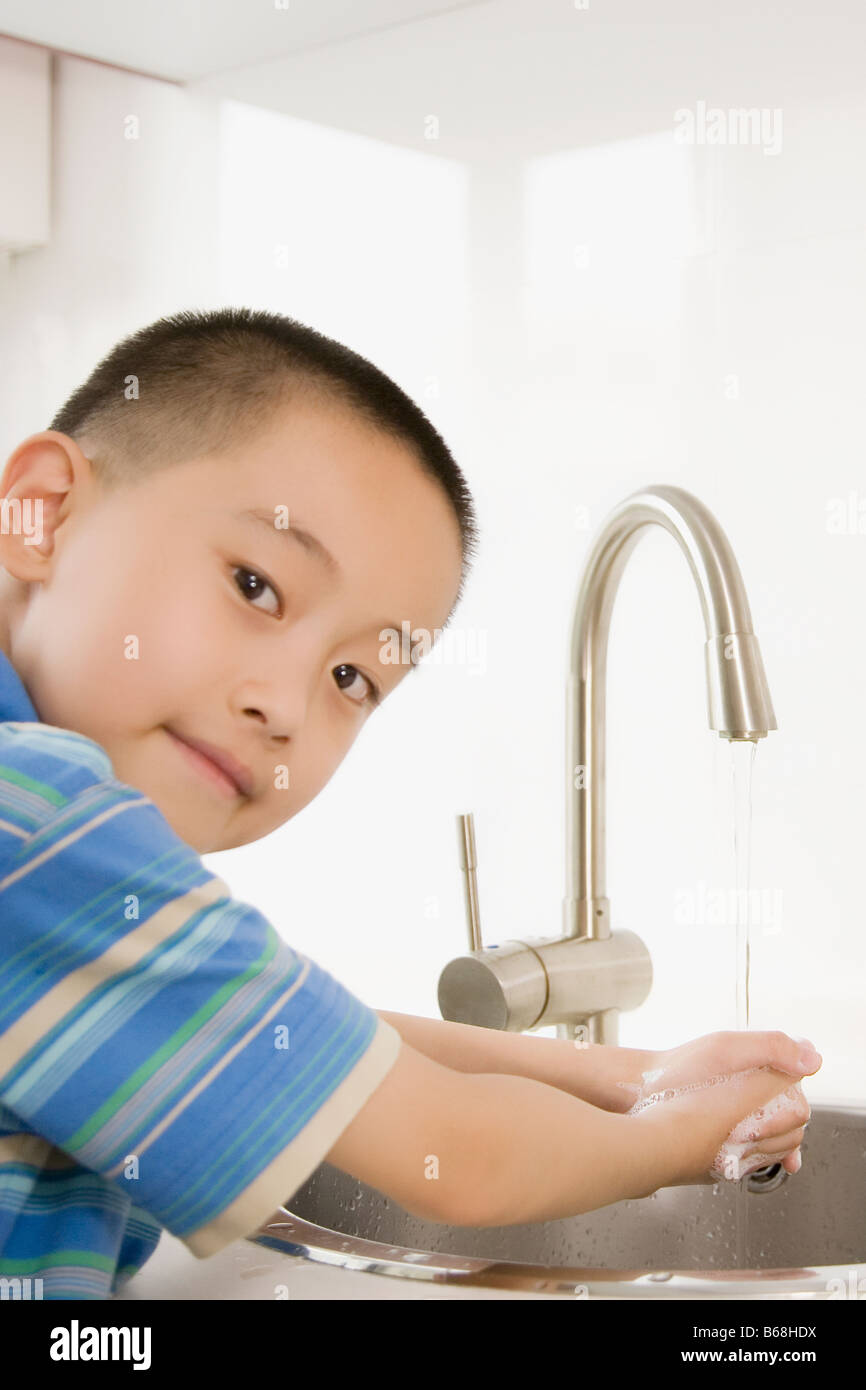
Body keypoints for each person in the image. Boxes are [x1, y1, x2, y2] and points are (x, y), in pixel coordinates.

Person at [0, 307, 818, 1299]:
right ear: (40, 510)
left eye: (351, 678)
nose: (285, 707)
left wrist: (630, 1080)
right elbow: (451, 1152)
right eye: (255, 585)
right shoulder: (32, 811)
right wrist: (688, 1137)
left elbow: (306, 1037)